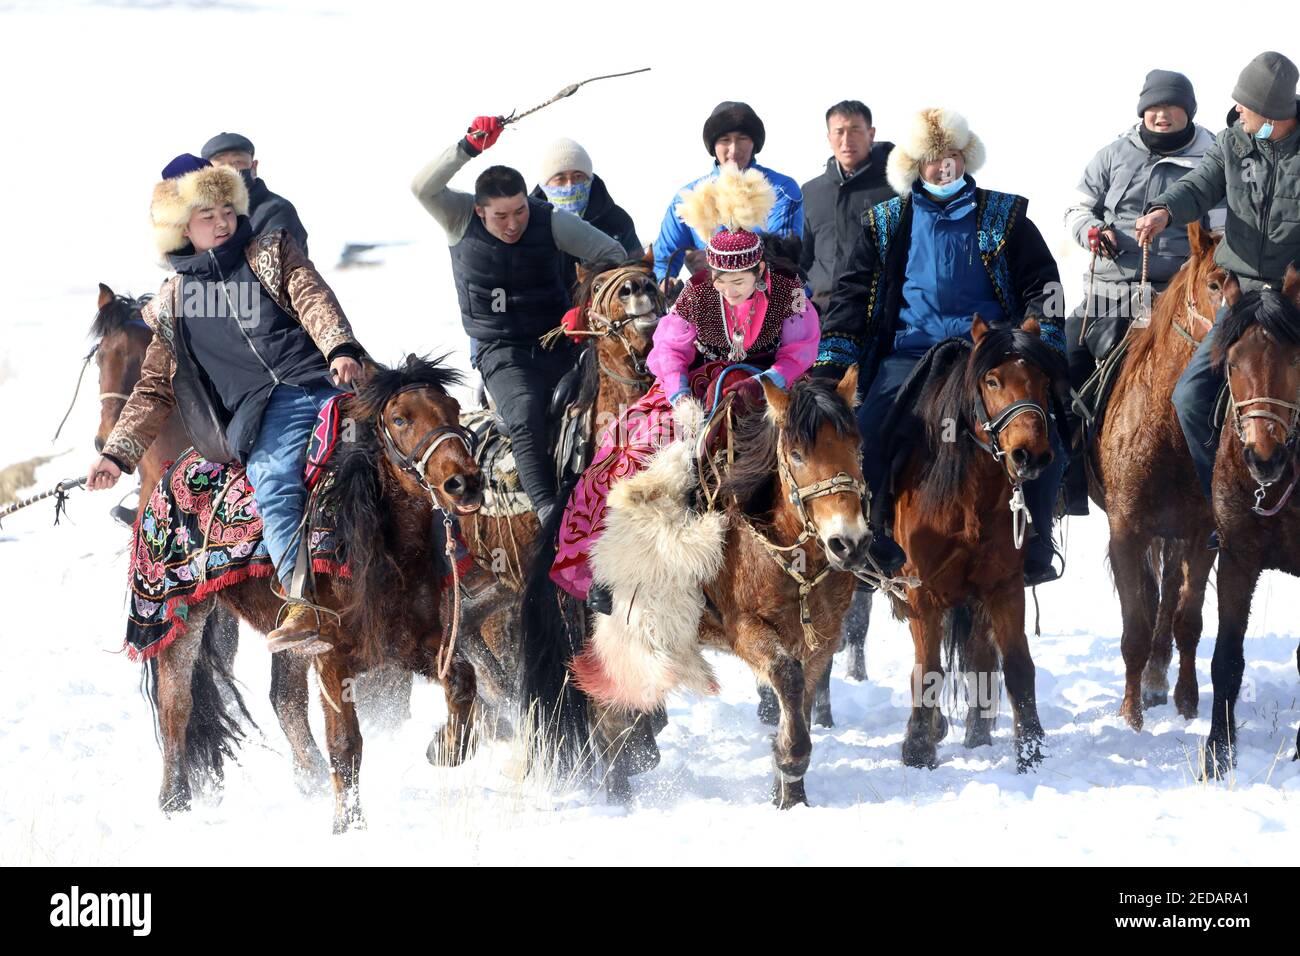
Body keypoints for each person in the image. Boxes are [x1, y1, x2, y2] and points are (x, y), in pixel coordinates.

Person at [87, 157, 366, 651]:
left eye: (226, 210)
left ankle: (460, 565)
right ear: (181, 229)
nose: (220, 222)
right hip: (265, 412)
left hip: (325, 379)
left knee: (406, 440)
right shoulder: (173, 306)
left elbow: (312, 298)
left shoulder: (269, 254)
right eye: (205, 215)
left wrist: (340, 347)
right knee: (275, 483)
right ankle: (305, 604)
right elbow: (153, 388)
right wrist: (116, 454)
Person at [550, 164, 820, 611]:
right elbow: (669, 350)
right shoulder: (696, 292)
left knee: (828, 439)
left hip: (772, 384)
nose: (729, 290)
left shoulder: (789, 293)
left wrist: (772, 379)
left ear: (759, 272)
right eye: (721, 280)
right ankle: (610, 565)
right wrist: (677, 396)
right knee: (627, 446)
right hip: (699, 385)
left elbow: (802, 348)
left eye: (740, 281)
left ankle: (858, 538)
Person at [816, 107, 1068, 586]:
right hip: (911, 353)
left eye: (952, 155)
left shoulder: (1006, 217)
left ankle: (1036, 537)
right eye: (933, 159)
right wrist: (833, 365)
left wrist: (1042, 340)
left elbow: (1044, 283)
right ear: (916, 167)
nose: (944, 167)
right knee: (865, 434)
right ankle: (879, 532)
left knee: (1045, 434)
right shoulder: (885, 223)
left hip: (989, 352)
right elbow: (850, 296)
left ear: (966, 158)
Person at [410, 115, 626, 523]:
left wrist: (589, 302)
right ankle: (549, 515)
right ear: (479, 211)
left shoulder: (551, 221)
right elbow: (422, 187)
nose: (513, 224)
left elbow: (613, 256)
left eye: (520, 212)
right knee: (526, 414)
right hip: (501, 351)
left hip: (558, 342)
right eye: (500, 216)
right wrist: (467, 147)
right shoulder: (457, 217)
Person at [1136, 51, 1300, 544]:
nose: (1237, 112)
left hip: (1295, 298)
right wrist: (1164, 210)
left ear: (1272, 113)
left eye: (1245, 107)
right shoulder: (1232, 142)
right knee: (1190, 396)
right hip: (1241, 296)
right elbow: (1200, 184)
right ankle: (1220, 503)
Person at [1061, 70, 1223, 513]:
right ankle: (1068, 473)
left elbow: (1225, 224)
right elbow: (1077, 207)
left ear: (1187, 111)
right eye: (1154, 107)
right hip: (1110, 289)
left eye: (1171, 107)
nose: (1162, 115)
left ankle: (1224, 485)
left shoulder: (1213, 156)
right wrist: (1093, 231)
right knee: (1064, 355)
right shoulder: (1113, 154)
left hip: (1182, 292)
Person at [652, 101, 803, 286]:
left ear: (754, 143)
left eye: (742, 138)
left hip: (774, 301)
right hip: (712, 303)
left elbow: (784, 258)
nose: (734, 149)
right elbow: (663, 260)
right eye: (725, 140)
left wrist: (714, 262)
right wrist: (665, 282)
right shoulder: (689, 196)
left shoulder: (781, 189)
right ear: (713, 146)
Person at [801, 100, 895, 312]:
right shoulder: (811, 191)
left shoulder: (894, 188)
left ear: (871, 134)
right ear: (829, 137)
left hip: (875, 311)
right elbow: (803, 258)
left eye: (855, 130)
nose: (846, 140)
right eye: (839, 132)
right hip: (822, 312)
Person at [529, 137, 641, 289]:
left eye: (578, 176)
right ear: (545, 185)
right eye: (560, 178)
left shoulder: (617, 221)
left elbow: (637, 271)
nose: (570, 186)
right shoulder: (527, 223)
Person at [201, 131, 309, 253]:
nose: (230, 170)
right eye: (220, 165)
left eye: (237, 162)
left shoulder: (276, 211)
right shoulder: (199, 215)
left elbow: (280, 264)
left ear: (254, 167)